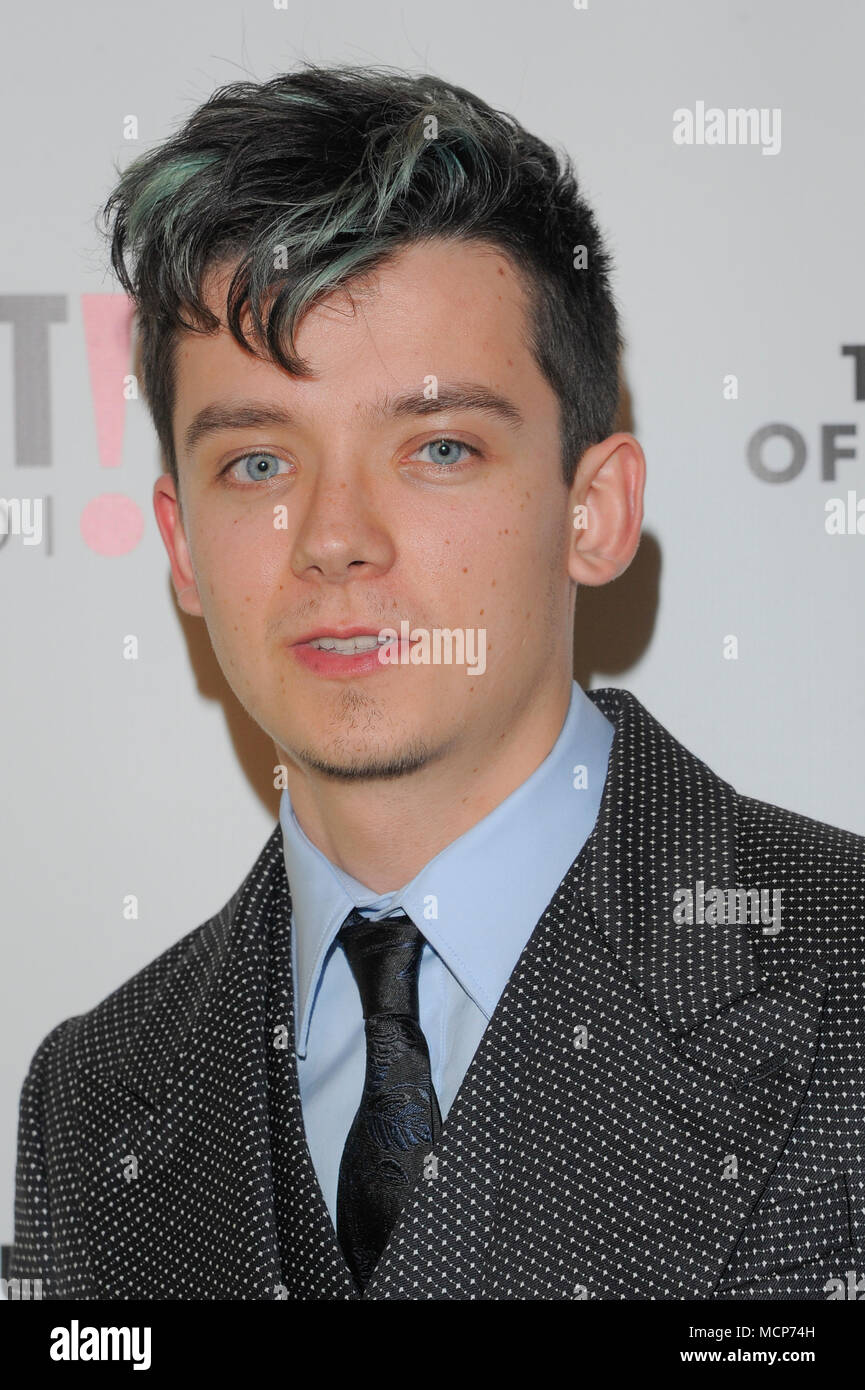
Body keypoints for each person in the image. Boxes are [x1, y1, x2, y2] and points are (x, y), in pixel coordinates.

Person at [11, 63, 864, 1301]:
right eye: (257, 462)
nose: (334, 535)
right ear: (183, 544)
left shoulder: (843, 975)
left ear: (594, 509)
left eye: (440, 448)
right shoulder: (91, 1100)